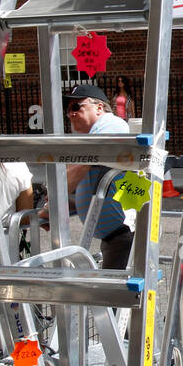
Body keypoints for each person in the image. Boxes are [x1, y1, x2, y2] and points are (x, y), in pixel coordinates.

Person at [63, 82, 133, 270]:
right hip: (114, 237)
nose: (70, 113)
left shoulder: (110, 124)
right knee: (111, 293)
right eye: (68, 109)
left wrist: (52, 202)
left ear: (99, 107)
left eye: (76, 107)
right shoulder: (94, 133)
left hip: (123, 234)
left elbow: (80, 167)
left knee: (114, 294)